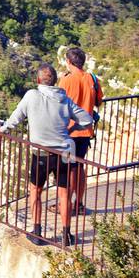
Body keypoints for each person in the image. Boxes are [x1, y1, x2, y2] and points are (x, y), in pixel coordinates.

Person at [0, 63, 95, 248]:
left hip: (40, 153)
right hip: (64, 153)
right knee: (64, 194)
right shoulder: (64, 99)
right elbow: (88, 119)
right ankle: (66, 235)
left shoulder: (31, 96)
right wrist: (73, 127)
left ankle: (37, 232)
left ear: (38, 80)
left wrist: (2, 129)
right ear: (55, 81)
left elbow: (16, 118)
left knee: (36, 191)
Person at [58, 47, 103, 219]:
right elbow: (99, 101)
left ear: (69, 62)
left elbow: (58, 104)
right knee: (79, 167)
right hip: (86, 131)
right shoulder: (92, 78)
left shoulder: (66, 81)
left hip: (69, 131)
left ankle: (66, 205)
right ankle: (79, 203)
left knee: (68, 169)